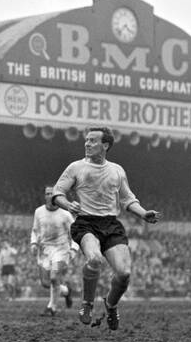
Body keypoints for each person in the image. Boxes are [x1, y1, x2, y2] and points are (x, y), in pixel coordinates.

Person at [50, 126, 160, 329]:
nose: (87, 143)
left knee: (124, 274)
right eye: (87, 140)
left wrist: (144, 213)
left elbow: (128, 199)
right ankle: (87, 304)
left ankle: (110, 305)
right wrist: (67, 204)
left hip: (111, 224)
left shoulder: (117, 170)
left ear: (105, 145)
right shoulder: (76, 167)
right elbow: (57, 193)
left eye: (93, 140)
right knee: (94, 258)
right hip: (86, 223)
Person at [31, 184, 75, 315]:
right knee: (45, 283)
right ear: (45, 196)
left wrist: (73, 248)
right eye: (47, 194)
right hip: (44, 251)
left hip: (61, 250)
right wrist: (33, 243)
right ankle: (66, 291)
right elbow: (35, 230)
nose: (49, 196)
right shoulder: (38, 212)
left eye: (52, 194)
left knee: (54, 277)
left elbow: (75, 232)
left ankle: (52, 307)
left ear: (57, 196)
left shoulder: (66, 215)